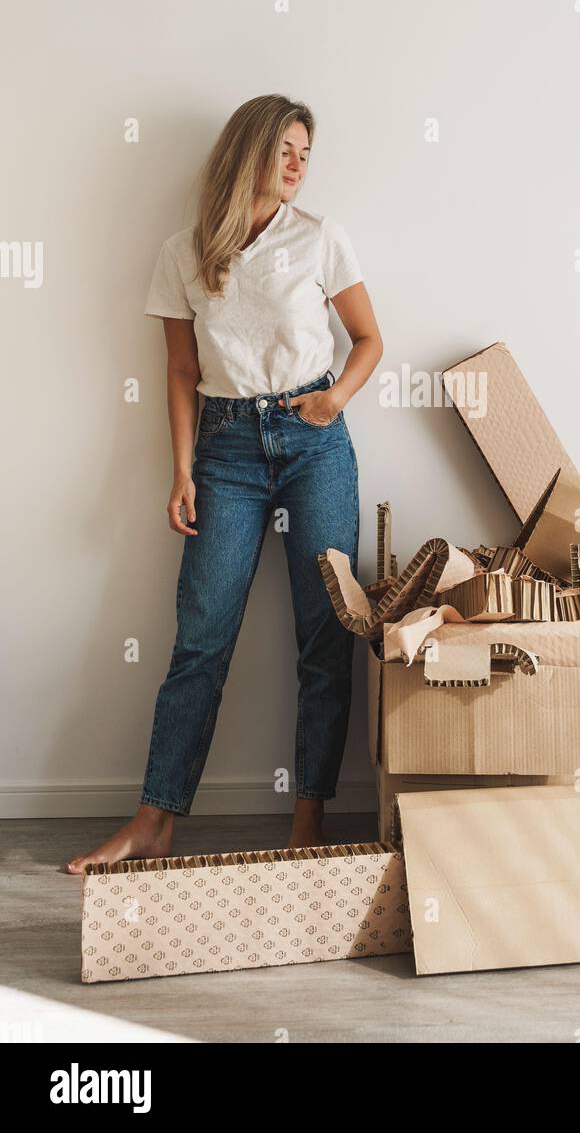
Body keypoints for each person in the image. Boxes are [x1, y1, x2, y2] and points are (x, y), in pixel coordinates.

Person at [66, 94, 382, 872]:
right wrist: (181, 469)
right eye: (286, 151)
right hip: (225, 448)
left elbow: (371, 340)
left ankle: (307, 819)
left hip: (315, 444)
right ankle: (154, 820)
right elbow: (179, 369)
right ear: (249, 150)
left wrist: (333, 400)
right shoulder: (185, 250)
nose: (299, 166)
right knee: (201, 638)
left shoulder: (321, 239)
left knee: (324, 635)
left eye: (307, 153)